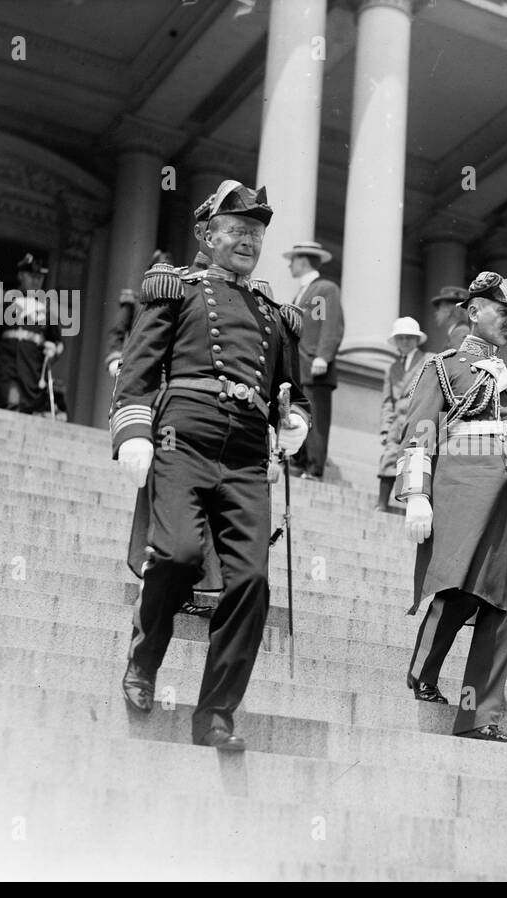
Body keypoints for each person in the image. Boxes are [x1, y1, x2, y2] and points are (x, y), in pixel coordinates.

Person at [112, 180, 311, 750]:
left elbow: (293, 392)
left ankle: (217, 713)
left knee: (250, 581)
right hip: (184, 438)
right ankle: (144, 659)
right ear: (206, 234)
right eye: (238, 229)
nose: (249, 240)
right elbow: (139, 368)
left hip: (247, 455)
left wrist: (294, 422)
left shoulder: (275, 312)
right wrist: (133, 429)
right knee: (175, 554)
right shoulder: (176, 290)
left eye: (257, 232)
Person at [399, 271, 507, 745]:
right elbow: (420, 431)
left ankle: (479, 715)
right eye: (503, 312)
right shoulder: (444, 366)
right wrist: (417, 494)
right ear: (473, 312)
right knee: (459, 586)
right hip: (461, 487)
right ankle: (424, 670)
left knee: (502, 605)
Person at [0, 253, 62, 413]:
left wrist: (53, 350)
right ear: (20, 275)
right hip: (7, 366)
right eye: (31, 276)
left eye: (39, 277)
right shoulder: (5, 300)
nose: (36, 281)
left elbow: (59, 342)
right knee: (11, 403)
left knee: (25, 409)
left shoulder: (47, 308)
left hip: (32, 370)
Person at [285, 241, 344, 480]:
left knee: (315, 417)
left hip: (314, 365)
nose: (290, 265)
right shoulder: (303, 291)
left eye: (293, 260)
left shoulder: (324, 288)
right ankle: (299, 460)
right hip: (299, 365)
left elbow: (331, 324)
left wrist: (323, 355)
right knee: (299, 412)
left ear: (303, 261)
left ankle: (314, 466)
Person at [377, 316, 431, 513]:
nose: (405, 341)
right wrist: (384, 428)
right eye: (401, 338)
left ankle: (410, 508)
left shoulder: (428, 361)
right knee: (389, 457)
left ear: (417, 340)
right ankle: (381, 504)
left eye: (409, 337)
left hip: (417, 418)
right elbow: (387, 401)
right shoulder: (392, 368)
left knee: (414, 462)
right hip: (395, 424)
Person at [105, 249, 173, 379]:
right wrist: (114, 358)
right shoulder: (134, 302)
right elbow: (117, 331)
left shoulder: (173, 304)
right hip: (136, 362)